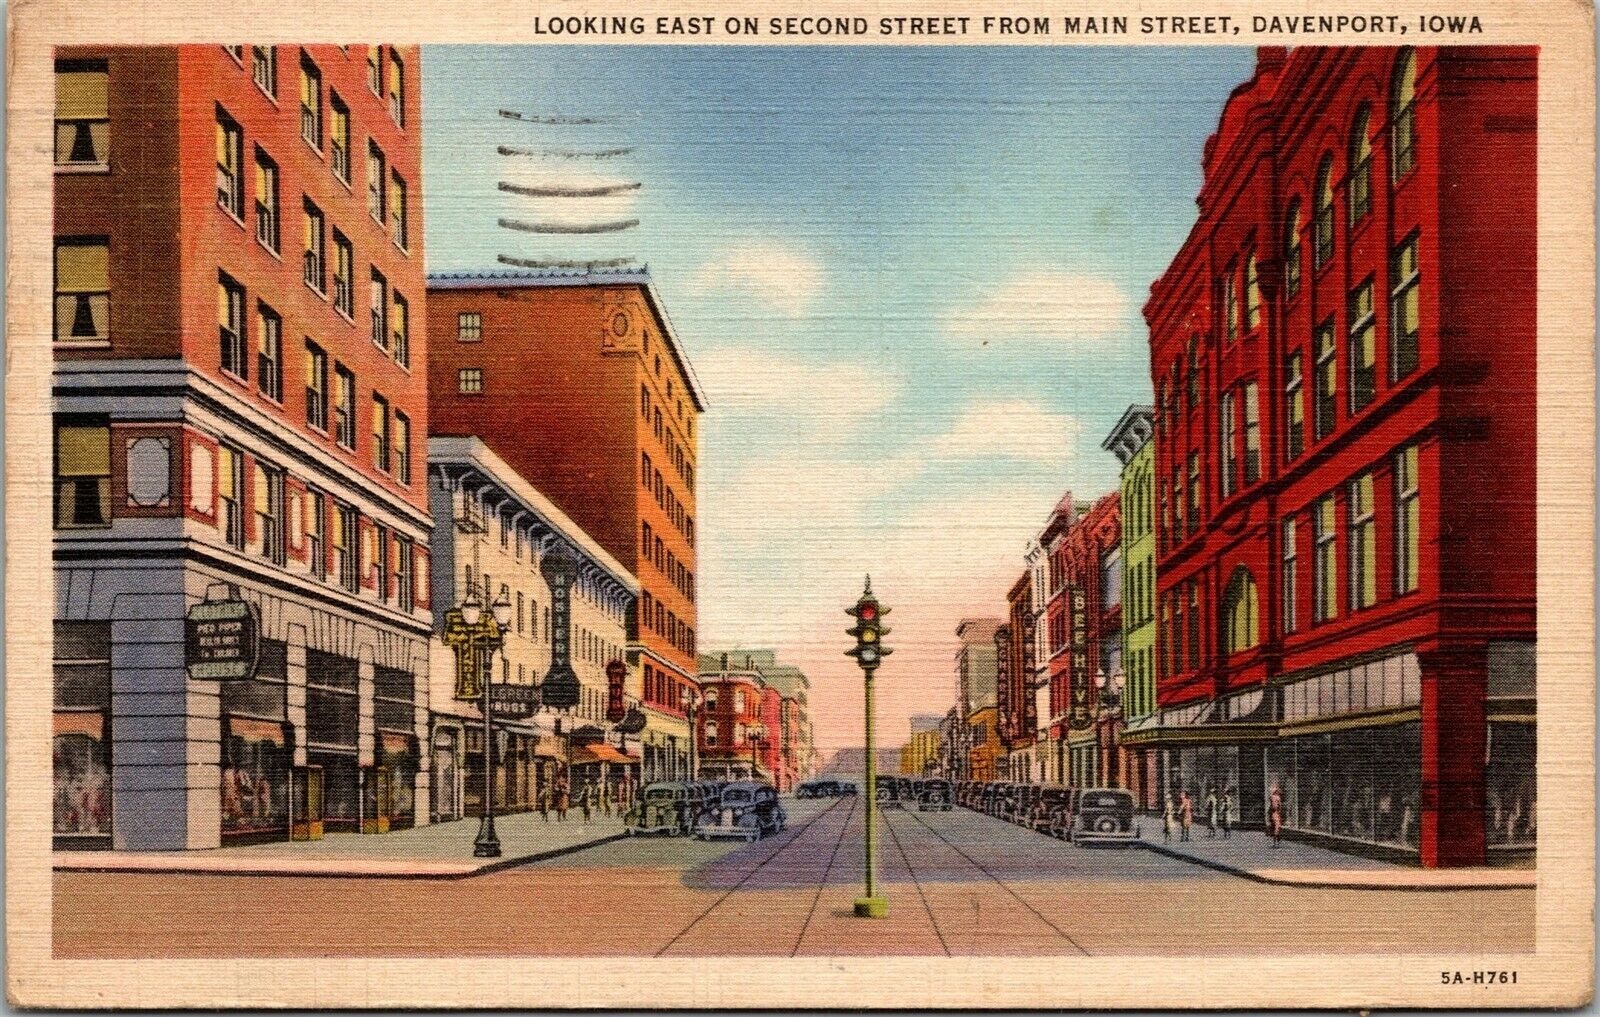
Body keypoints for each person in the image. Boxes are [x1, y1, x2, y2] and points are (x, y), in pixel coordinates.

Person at [1268, 783, 1284, 848]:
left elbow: (1278, 806)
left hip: (1274, 814)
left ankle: (1276, 842)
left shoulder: (1272, 797)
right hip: (1275, 813)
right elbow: (1279, 806)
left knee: (1276, 828)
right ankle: (1276, 842)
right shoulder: (1276, 797)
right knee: (1277, 828)